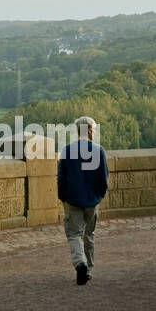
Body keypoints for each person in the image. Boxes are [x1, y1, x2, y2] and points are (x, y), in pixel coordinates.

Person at [57, 115, 109, 285]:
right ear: (88, 130)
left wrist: (62, 197)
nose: (94, 132)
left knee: (74, 234)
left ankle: (80, 263)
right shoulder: (98, 150)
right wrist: (99, 196)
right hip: (92, 201)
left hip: (72, 199)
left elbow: (61, 178)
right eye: (93, 129)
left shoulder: (67, 150)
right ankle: (89, 268)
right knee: (89, 234)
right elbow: (104, 179)